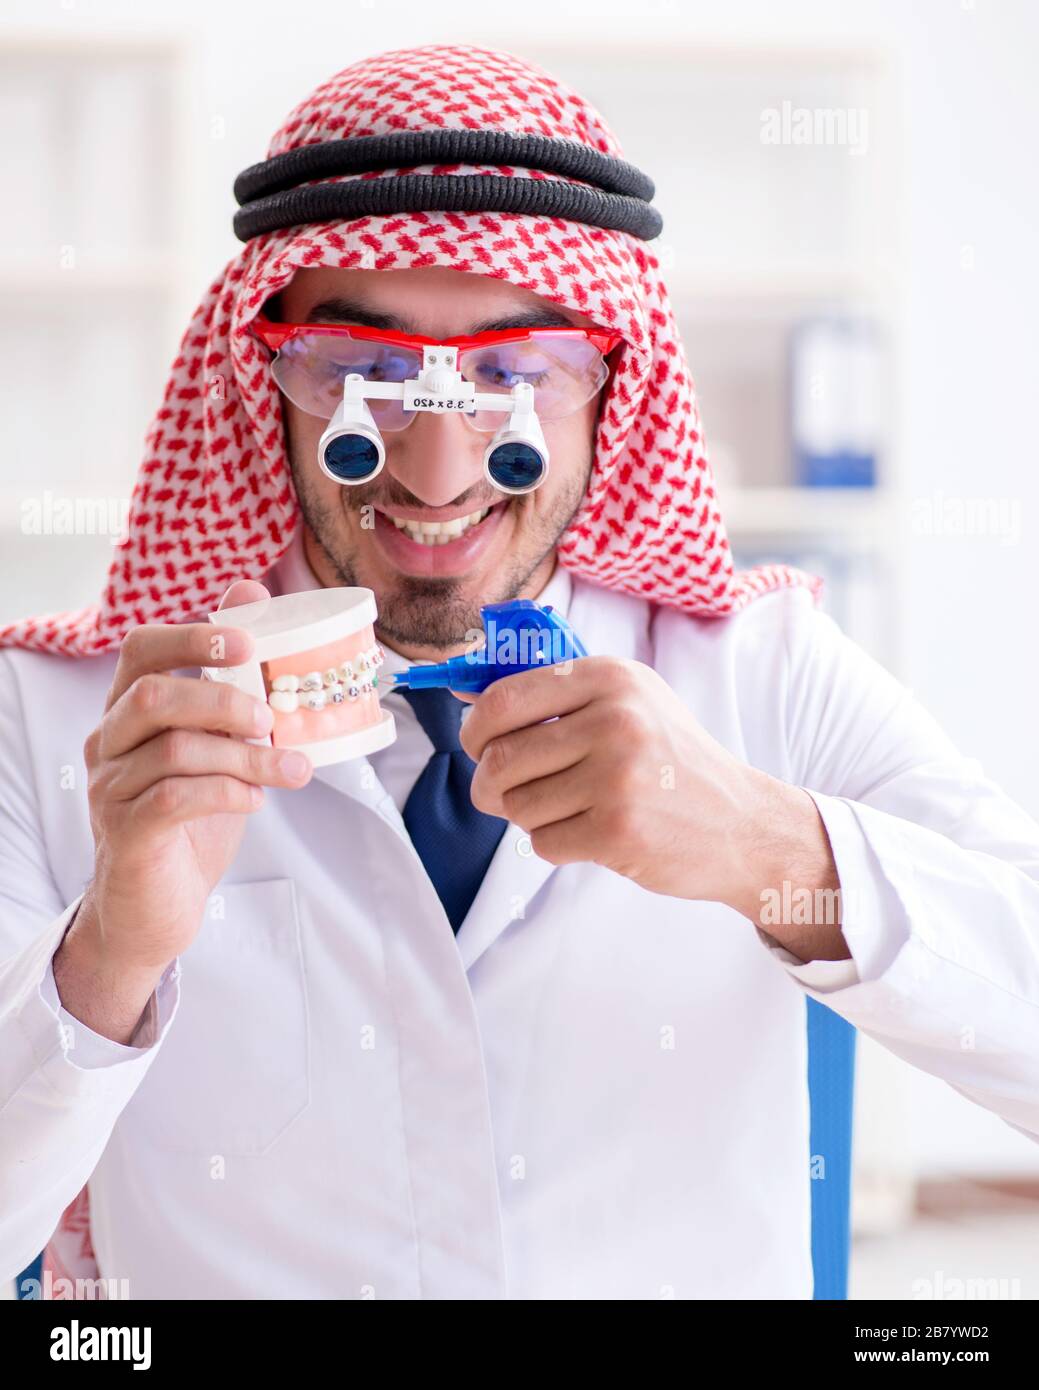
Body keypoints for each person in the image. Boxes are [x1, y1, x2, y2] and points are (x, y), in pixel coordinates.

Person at [2, 42, 1038, 1302]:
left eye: (511, 374)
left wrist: (772, 849)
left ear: (611, 384)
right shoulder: (66, 717)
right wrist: (107, 960)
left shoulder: (762, 677)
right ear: (261, 372)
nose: (435, 475)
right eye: (357, 371)